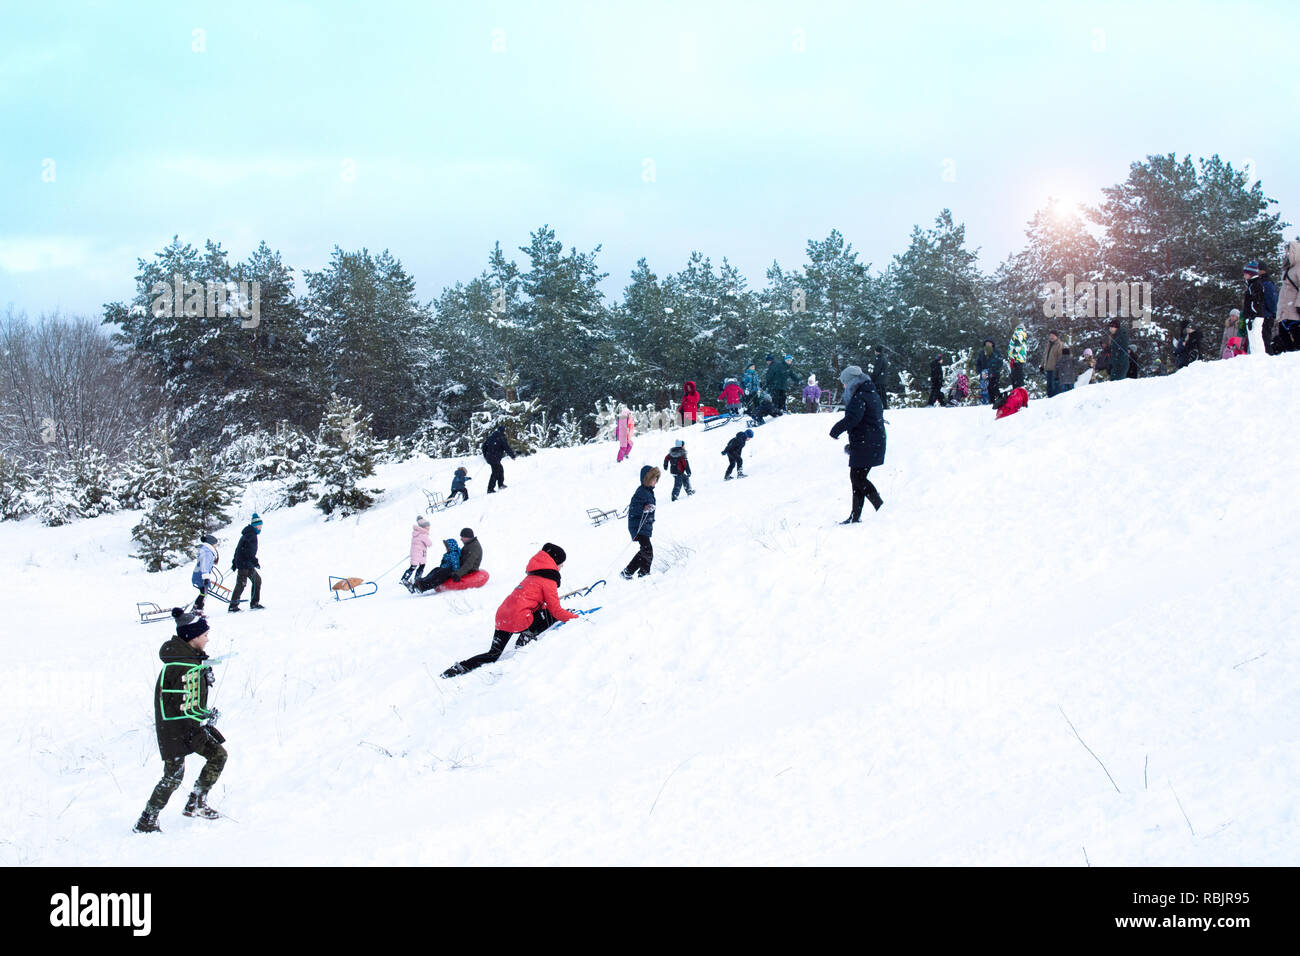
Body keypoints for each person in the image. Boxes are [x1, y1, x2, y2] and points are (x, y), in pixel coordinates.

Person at [134, 609, 227, 832]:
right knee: (174, 776)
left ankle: (196, 801)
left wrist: (205, 678)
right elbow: (180, 703)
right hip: (175, 728)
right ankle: (147, 820)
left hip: (189, 725)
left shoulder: (188, 658)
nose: (207, 638)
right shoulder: (178, 665)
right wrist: (202, 714)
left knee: (218, 755)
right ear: (192, 637)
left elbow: (192, 692)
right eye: (204, 634)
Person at [441, 544, 577, 677]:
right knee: (551, 615)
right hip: (519, 618)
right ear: (554, 562)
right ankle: (528, 634)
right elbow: (556, 611)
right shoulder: (548, 581)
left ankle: (460, 668)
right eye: (561, 563)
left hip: (503, 616)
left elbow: (532, 602)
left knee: (492, 654)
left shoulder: (531, 576)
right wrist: (575, 618)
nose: (562, 566)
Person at [828, 365, 885, 524]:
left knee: (858, 478)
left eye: (845, 383)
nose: (844, 386)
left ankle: (881, 508)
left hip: (866, 442)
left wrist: (835, 430)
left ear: (852, 381)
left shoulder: (859, 396)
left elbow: (853, 418)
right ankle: (855, 516)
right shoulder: (870, 393)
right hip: (870, 441)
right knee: (857, 478)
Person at [621, 466, 659, 579]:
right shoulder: (641, 491)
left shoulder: (648, 491)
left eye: (656, 479)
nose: (655, 481)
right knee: (648, 550)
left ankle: (627, 571)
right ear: (646, 479)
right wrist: (644, 508)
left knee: (645, 550)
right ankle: (644, 573)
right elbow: (633, 508)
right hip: (638, 526)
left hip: (644, 525)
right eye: (652, 479)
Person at [227, 514, 263, 613]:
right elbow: (249, 552)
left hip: (245, 563)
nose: (261, 527)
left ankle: (253, 603)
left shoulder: (247, 534)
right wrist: (255, 562)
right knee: (241, 584)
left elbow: (238, 549)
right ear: (255, 525)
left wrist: (234, 562)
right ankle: (233, 606)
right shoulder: (252, 535)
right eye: (260, 525)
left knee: (256, 580)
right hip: (244, 564)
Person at [1242, 261, 1279, 355]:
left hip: (1264, 315)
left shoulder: (1265, 283)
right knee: (1258, 339)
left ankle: (1266, 359)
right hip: (1261, 314)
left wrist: (1271, 313)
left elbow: (1270, 301)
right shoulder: (1257, 282)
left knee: (1263, 340)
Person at [1273, 241, 1300, 353]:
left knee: (1297, 339)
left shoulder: (1298, 268)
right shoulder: (1289, 268)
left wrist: (1299, 305)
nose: (1286, 253)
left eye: (1288, 250)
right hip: (1285, 311)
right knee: (1285, 339)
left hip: (1294, 309)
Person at [401, 517, 432, 587]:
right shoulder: (423, 535)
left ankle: (407, 578)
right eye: (428, 526)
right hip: (419, 554)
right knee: (419, 566)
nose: (429, 528)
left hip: (416, 553)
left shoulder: (417, 533)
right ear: (424, 527)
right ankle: (415, 579)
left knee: (415, 566)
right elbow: (429, 544)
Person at [483, 426, 515, 493]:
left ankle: (500, 484)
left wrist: (485, 455)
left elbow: (483, 446)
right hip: (495, 458)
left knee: (500, 469)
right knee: (495, 472)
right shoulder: (501, 438)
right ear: (503, 431)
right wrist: (512, 456)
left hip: (490, 457)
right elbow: (506, 448)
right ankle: (490, 489)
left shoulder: (491, 437)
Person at [190, 533, 218, 612]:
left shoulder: (205, 550)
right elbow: (204, 565)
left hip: (199, 575)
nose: (216, 546)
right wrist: (206, 577)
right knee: (203, 593)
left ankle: (196, 608)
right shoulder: (207, 553)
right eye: (215, 544)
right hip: (201, 576)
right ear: (211, 544)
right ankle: (198, 610)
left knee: (203, 593)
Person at [975, 339, 1000, 404]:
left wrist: (992, 370)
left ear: (992, 344)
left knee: (994, 387)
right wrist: (980, 371)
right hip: (983, 374)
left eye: (989, 343)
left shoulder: (996, 352)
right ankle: (986, 401)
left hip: (994, 373)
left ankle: (996, 401)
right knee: (984, 388)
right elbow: (978, 363)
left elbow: (999, 362)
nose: (988, 345)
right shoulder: (981, 352)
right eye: (986, 343)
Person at [1040, 331, 1063, 397]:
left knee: (1055, 387)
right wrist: (1042, 366)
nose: (1051, 337)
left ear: (1056, 336)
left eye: (1053, 335)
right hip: (1048, 368)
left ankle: (1055, 400)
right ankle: (1049, 399)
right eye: (1050, 335)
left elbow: (1060, 357)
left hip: (1055, 369)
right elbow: (1045, 356)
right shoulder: (1048, 345)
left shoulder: (1059, 345)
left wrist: (1059, 368)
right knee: (1049, 387)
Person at [1008, 324, 1029, 388]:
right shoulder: (1021, 334)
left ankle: (1018, 392)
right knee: (1018, 377)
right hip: (1019, 358)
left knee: (1016, 378)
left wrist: (1013, 357)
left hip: (1017, 359)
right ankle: (1018, 391)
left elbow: (1018, 345)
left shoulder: (1018, 333)